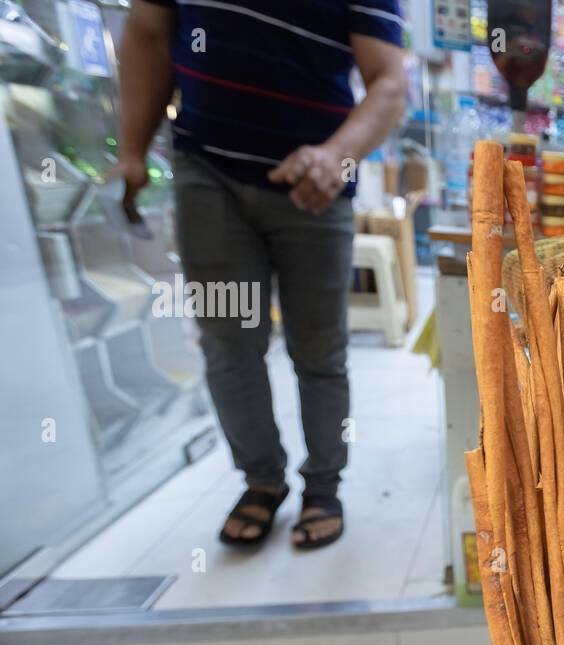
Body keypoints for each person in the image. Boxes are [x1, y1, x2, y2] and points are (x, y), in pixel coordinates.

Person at [117, 1, 408, 548]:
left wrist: (337, 156)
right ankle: (262, 480)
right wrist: (132, 147)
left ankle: (323, 484)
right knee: (229, 344)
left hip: (317, 188)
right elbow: (147, 35)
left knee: (320, 349)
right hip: (211, 176)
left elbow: (389, 82)